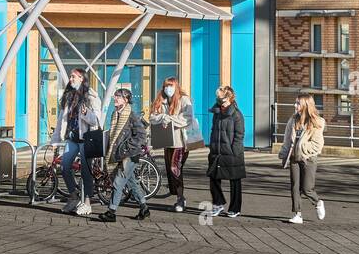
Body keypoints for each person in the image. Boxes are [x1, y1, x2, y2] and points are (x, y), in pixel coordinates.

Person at [93, 87, 151, 222]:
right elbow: (114, 135)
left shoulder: (132, 115)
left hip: (129, 155)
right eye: (115, 96)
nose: (115, 98)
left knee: (118, 182)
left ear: (125, 100)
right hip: (117, 153)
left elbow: (141, 135)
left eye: (118, 96)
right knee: (132, 183)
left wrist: (126, 148)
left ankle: (111, 212)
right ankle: (144, 208)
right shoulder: (115, 114)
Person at [51, 66, 101, 216]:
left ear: (82, 79)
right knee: (65, 167)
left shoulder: (91, 97)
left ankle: (87, 203)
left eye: (74, 76)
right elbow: (61, 120)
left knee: (86, 171)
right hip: (71, 139)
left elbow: (96, 121)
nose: (71, 79)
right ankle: (73, 196)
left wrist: (86, 114)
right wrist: (55, 140)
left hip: (86, 140)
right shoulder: (68, 96)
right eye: (71, 76)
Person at [148, 75, 198, 213]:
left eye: (170, 86)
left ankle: (180, 198)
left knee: (175, 168)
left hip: (180, 142)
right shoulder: (161, 100)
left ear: (176, 86)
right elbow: (152, 117)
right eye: (165, 85)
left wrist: (169, 120)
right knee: (170, 170)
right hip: (167, 141)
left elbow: (186, 119)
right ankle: (177, 195)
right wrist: (163, 117)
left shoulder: (183, 99)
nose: (167, 88)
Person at [279, 92, 326, 223]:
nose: (295, 105)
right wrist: (284, 153)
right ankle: (297, 214)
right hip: (294, 157)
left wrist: (302, 148)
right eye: (295, 103)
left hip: (308, 158)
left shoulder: (317, 122)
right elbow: (287, 140)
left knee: (307, 188)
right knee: (295, 186)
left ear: (305, 105)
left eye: (297, 103)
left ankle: (318, 203)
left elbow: (317, 145)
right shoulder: (292, 120)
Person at [206, 85, 246, 218]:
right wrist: (212, 147)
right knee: (213, 177)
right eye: (217, 96)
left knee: (235, 181)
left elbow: (239, 135)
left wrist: (234, 151)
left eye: (221, 96)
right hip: (216, 151)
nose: (218, 99)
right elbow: (213, 130)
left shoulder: (236, 114)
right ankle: (218, 203)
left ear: (228, 97)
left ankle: (235, 208)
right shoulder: (217, 112)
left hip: (232, 153)